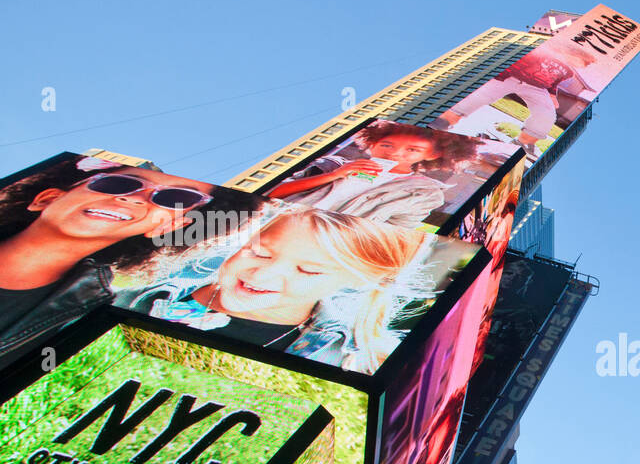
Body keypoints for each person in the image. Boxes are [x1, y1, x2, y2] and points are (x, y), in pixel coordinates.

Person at [122, 207, 432, 373]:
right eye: (258, 252)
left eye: (308, 270)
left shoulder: (356, 358)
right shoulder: (133, 292)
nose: (263, 274)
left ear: (359, 279)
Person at [0, 156, 228, 366]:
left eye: (175, 198)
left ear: (168, 227)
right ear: (47, 198)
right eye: (119, 183)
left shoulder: (91, 317)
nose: (135, 198)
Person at [268, 122, 479, 228]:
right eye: (386, 145)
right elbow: (271, 193)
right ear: (373, 143)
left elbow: (395, 234)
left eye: (412, 150)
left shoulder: (424, 193)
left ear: (433, 154)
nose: (395, 153)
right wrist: (334, 175)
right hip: (274, 225)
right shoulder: (330, 164)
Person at [437, 42, 599, 157]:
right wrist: (499, 76)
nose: (583, 67)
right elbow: (519, 61)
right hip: (513, 77)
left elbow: (552, 83)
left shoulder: (569, 72)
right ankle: (446, 119)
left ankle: (524, 142)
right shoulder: (546, 52)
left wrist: (551, 96)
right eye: (584, 63)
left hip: (536, 88)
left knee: (546, 114)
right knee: (480, 96)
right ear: (576, 55)